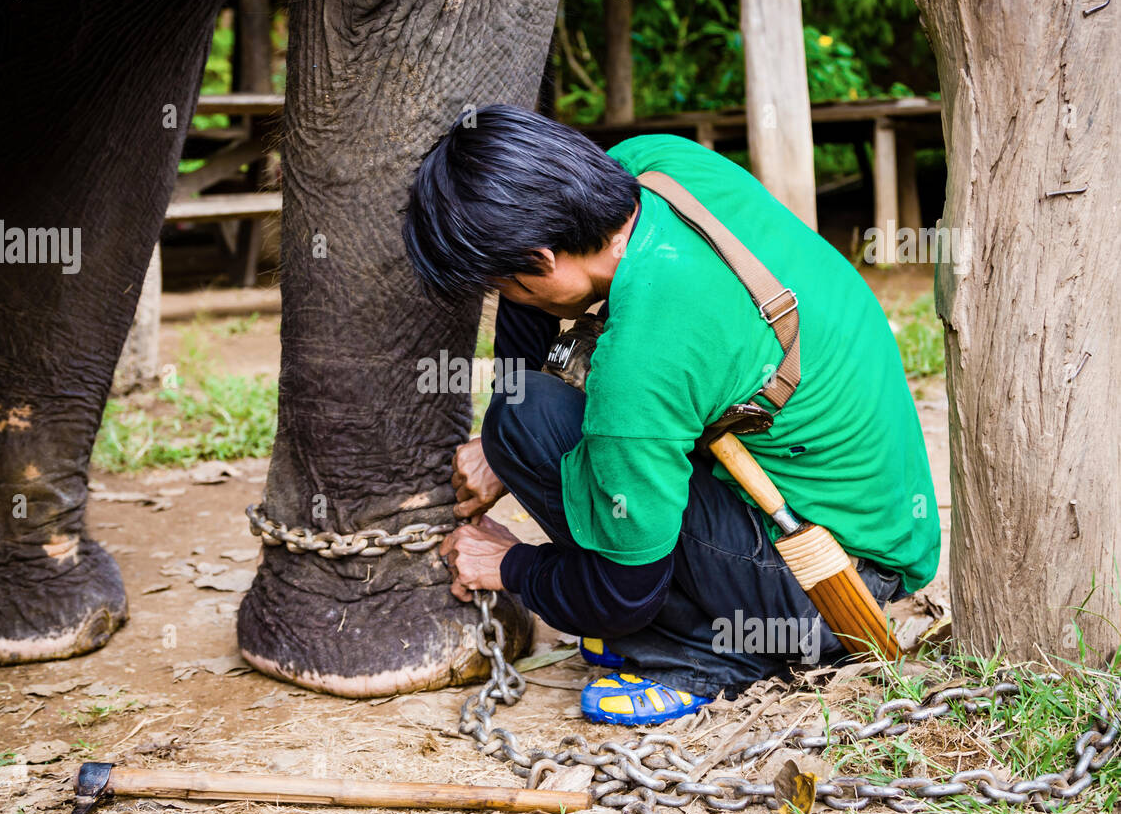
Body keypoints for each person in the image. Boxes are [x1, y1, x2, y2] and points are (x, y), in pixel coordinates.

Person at [402, 104, 940, 725]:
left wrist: (510, 564)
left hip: (826, 593)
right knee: (531, 395)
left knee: (521, 421)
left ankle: (707, 654)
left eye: (505, 284)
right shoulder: (652, 164)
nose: (506, 301)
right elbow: (548, 310)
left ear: (543, 259)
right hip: (891, 530)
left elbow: (620, 593)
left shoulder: (643, 360)